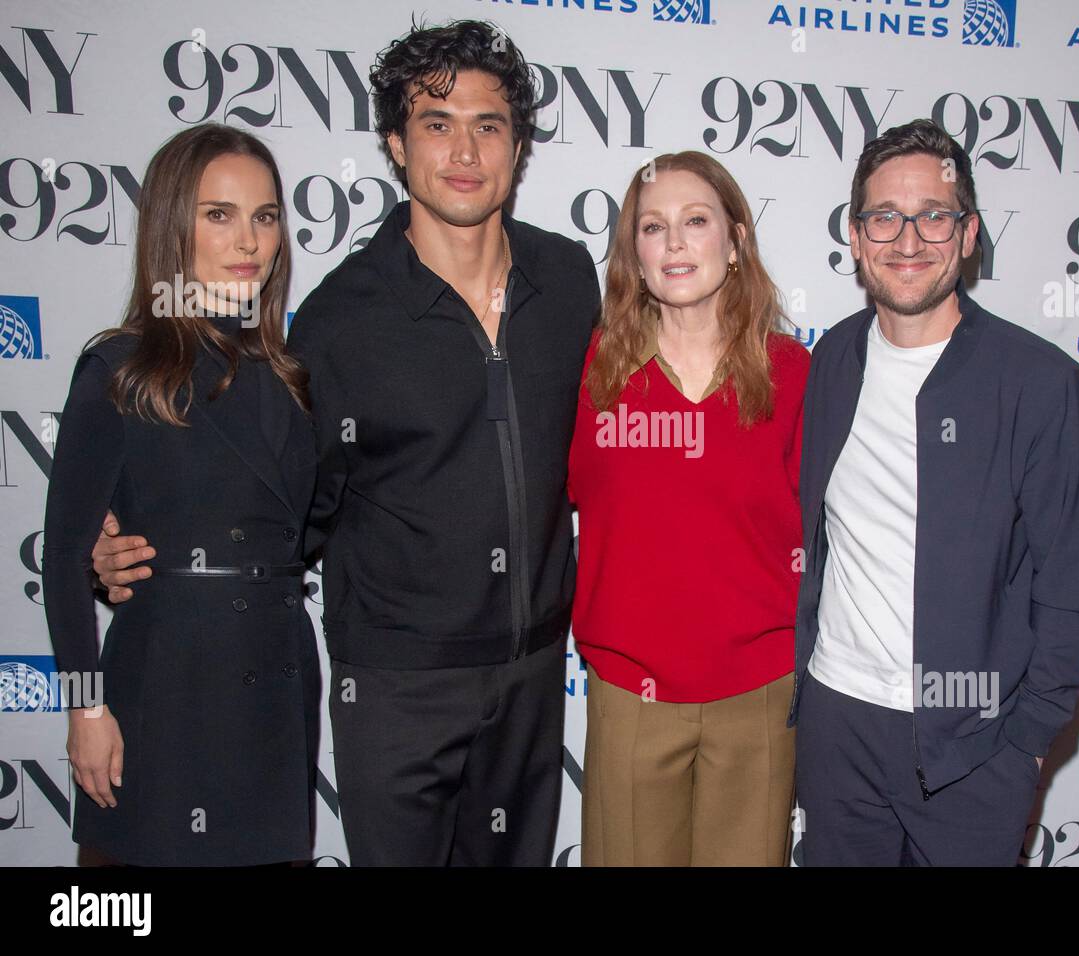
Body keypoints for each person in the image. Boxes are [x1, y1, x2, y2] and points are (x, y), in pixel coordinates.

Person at [92, 20, 600, 866]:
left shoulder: (570, 278)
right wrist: (116, 554)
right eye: (437, 124)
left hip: (534, 676)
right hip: (395, 692)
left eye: (489, 124)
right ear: (397, 146)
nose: (465, 149)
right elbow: (280, 505)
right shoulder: (337, 323)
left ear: (519, 145)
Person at [790, 119, 1079, 866]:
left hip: (974, 741)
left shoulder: (1040, 382)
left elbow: (1071, 584)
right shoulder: (829, 360)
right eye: (884, 217)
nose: (908, 240)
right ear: (857, 236)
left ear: (968, 235)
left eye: (934, 215)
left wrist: (1028, 742)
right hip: (839, 725)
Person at [42, 123, 319, 866]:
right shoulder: (121, 368)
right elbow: (66, 558)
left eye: (265, 216)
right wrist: (86, 706)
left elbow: (316, 526)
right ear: (174, 224)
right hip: (165, 683)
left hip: (276, 683)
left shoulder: (293, 374)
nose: (249, 240)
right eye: (219, 214)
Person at [569, 151, 809, 866]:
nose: (674, 242)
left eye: (696, 220)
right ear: (633, 256)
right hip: (631, 696)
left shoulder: (795, 375)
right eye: (652, 226)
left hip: (761, 694)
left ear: (735, 243)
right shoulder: (589, 370)